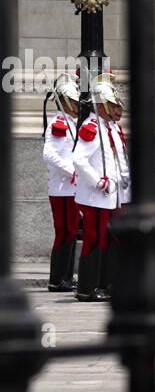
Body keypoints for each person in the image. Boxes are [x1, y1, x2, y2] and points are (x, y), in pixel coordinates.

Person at [72, 73, 131, 302]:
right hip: (96, 196)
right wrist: (98, 181)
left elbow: (119, 160)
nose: (116, 109)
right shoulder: (92, 128)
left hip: (113, 196)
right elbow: (79, 159)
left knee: (111, 239)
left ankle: (107, 284)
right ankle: (86, 288)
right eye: (112, 104)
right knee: (94, 239)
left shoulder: (112, 129)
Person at [42, 75, 81, 292]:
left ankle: (66, 277)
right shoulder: (58, 124)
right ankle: (57, 279)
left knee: (71, 231)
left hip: (70, 189)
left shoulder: (70, 123)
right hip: (61, 188)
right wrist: (71, 171)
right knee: (64, 231)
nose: (75, 106)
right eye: (73, 102)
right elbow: (49, 154)